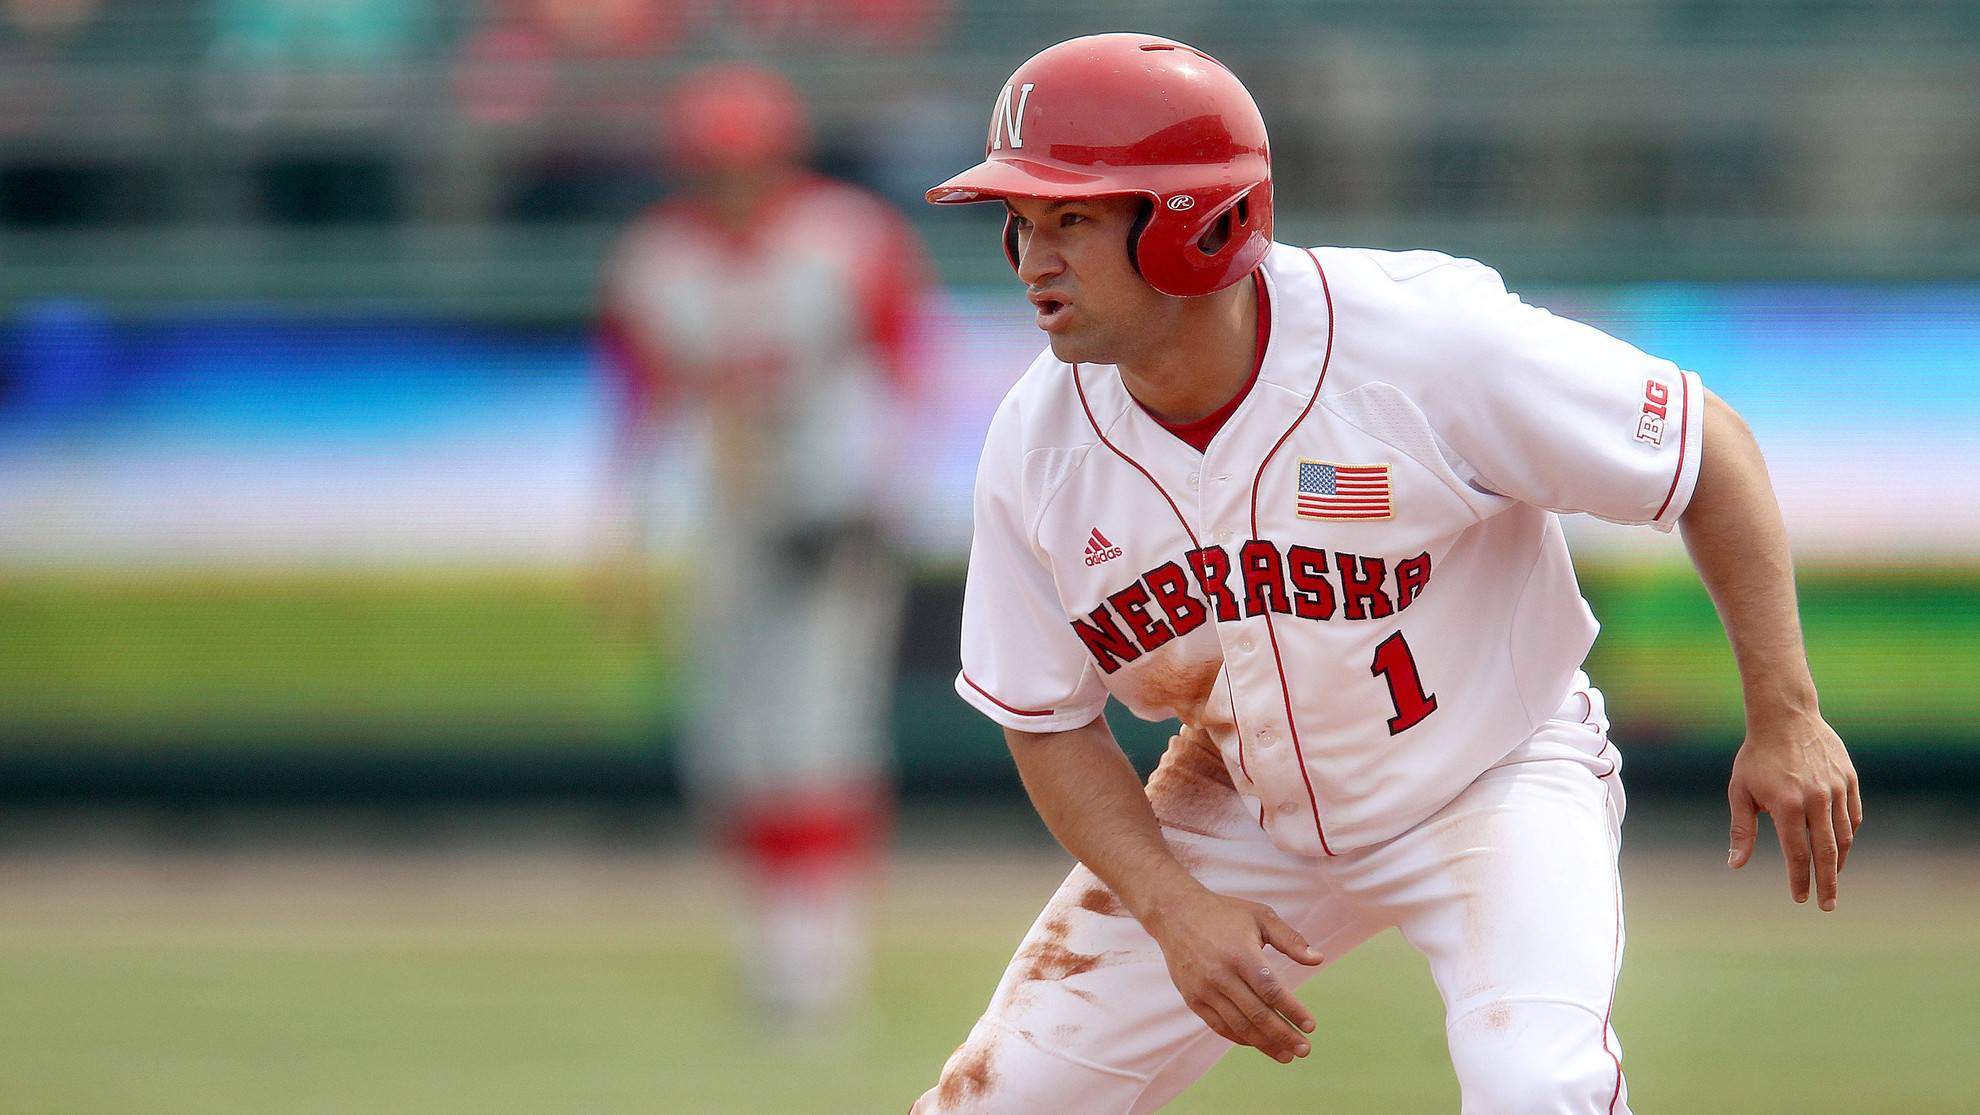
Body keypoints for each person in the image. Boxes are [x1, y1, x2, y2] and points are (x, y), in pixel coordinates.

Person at [912, 33, 1860, 1114]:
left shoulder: (1420, 343)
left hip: (1490, 773)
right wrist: (1172, 906)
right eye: (1019, 221)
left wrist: (1787, 714)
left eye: (1070, 220)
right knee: (993, 1101)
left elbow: (1706, 450)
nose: (1031, 259)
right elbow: (1045, 717)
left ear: (1197, 221)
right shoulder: (1038, 442)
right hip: (1238, 797)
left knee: (1534, 1087)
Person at [596, 62, 930, 1030]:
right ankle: (772, 939)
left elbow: (907, 372)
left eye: (746, 160)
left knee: (818, 728)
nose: (733, 179)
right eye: (715, 162)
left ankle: (819, 954)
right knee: (728, 738)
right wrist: (625, 533)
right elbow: (640, 399)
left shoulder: (846, 236)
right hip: (727, 506)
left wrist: (878, 496)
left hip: (831, 497)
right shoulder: (656, 255)